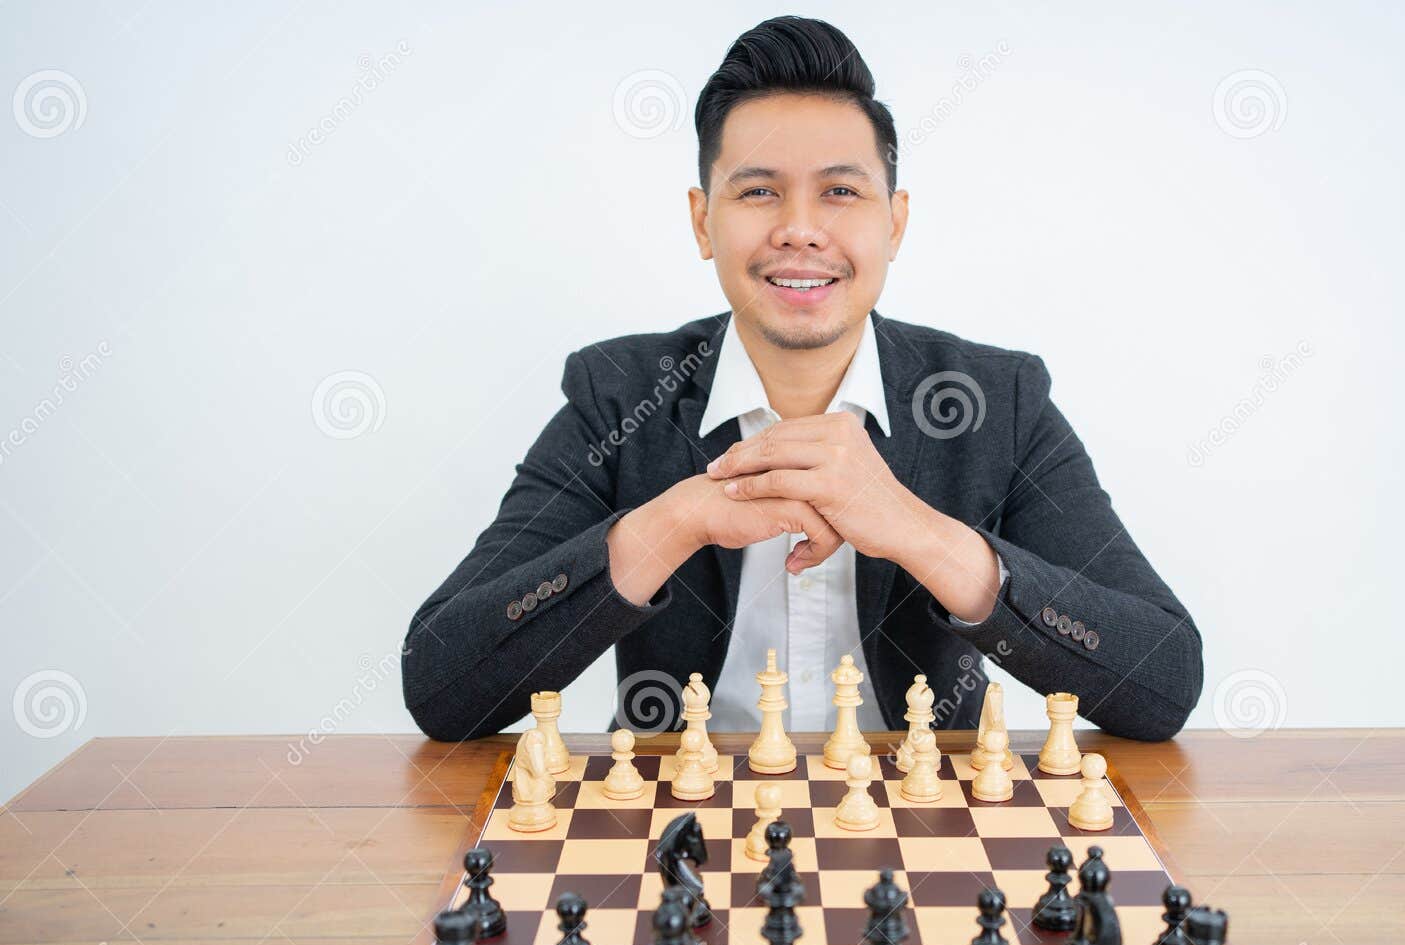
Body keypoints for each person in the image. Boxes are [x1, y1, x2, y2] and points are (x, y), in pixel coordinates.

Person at [401, 16, 1201, 743]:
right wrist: (677, 520)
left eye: (842, 191)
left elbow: (1163, 683)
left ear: (895, 221)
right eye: (757, 191)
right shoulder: (617, 393)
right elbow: (441, 686)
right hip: (678, 835)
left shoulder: (1000, 402)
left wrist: (914, 530)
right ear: (701, 220)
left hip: (924, 837)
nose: (800, 229)